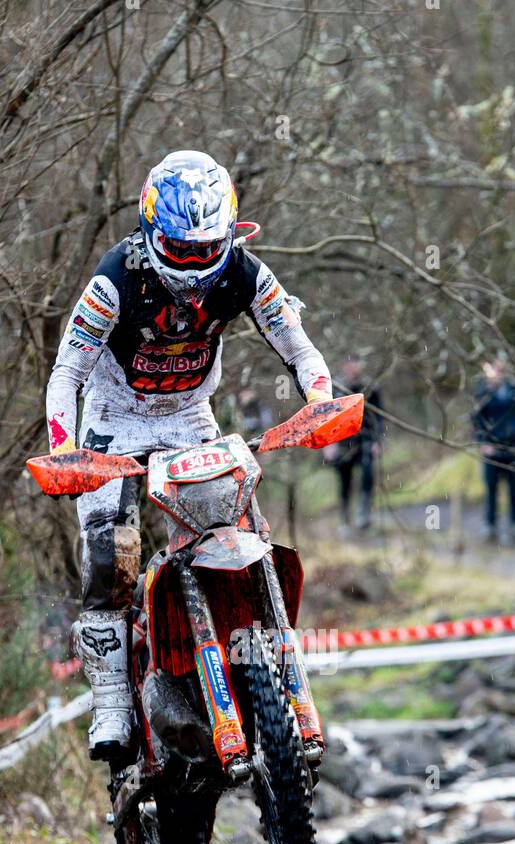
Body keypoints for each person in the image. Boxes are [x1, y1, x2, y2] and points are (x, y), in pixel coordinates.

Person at [45, 149, 332, 759]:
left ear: (229, 231)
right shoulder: (116, 275)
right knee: (108, 558)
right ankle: (113, 706)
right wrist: (65, 451)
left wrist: (320, 403)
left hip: (189, 420)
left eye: (208, 249)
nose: (198, 265)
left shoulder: (246, 271)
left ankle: (254, 669)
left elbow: (299, 347)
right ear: (152, 231)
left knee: (241, 529)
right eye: (183, 250)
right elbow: (67, 372)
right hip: (111, 425)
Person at [471, 356, 515, 544]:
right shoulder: (482, 392)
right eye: (494, 369)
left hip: (513, 446)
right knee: (491, 489)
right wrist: (482, 442)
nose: (497, 373)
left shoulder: (513, 388)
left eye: (500, 369)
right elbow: (476, 420)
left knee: (514, 490)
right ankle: (490, 526)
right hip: (491, 447)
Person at [326, 356, 384, 532]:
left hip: (365, 439)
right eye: (350, 363)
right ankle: (344, 520)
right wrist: (328, 444)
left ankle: (364, 516)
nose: (353, 368)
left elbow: (379, 417)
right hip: (342, 441)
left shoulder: (370, 388)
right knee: (345, 482)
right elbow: (327, 418)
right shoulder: (334, 389)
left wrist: (377, 441)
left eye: (356, 364)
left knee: (367, 476)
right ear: (344, 366)